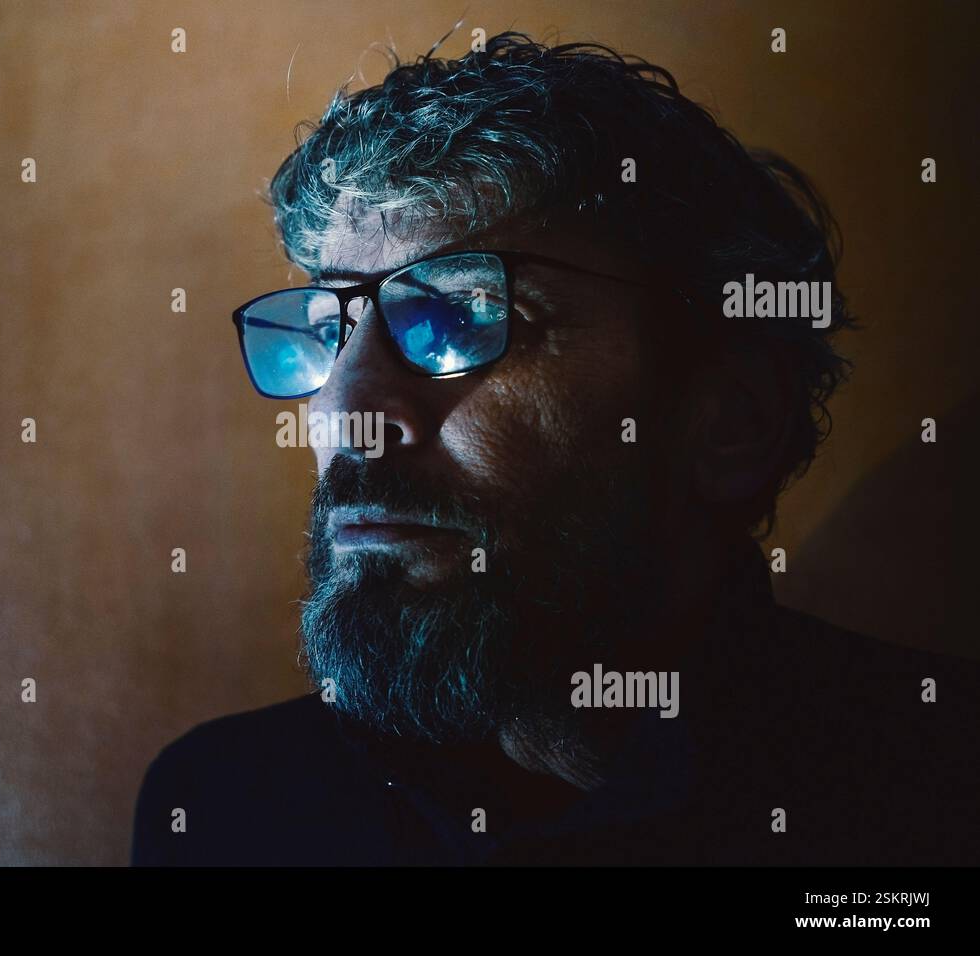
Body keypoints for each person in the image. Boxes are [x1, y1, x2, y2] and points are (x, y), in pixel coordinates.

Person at [133, 32, 979, 866]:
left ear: (732, 423)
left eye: (461, 317)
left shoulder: (933, 788)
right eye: (329, 329)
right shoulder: (228, 807)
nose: (344, 412)